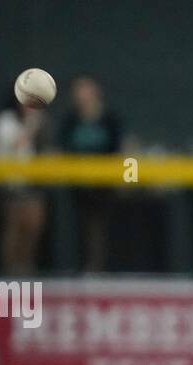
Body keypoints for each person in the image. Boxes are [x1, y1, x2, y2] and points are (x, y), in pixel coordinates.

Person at [59, 75, 124, 272]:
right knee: (77, 227)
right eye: (79, 91)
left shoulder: (110, 119)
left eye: (86, 90)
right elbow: (61, 150)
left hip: (104, 184)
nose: (83, 96)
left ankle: (99, 267)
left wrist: (128, 176)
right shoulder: (70, 120)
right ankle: (76, 268)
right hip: (76, 184)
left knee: (100, 227)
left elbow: (122, 151)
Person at [0, 90, 50, 274]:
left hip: (32, 182)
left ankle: (26, 267)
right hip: (11, 182)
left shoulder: (39, 120)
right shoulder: (6, 120)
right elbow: (16, 143)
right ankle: (10, 270)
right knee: (14, 228)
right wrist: (32, 125)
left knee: (33, 226)